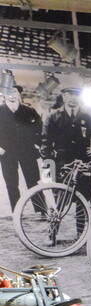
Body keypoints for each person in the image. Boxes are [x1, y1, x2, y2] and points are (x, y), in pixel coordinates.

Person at [0, 84, 43, 214]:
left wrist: (37, 144)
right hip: (7, 153)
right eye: (8, 92)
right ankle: (17, 212)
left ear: (19, 95)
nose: (12, 95)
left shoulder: (29, 111)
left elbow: (39, 129)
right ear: (3, 95)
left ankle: (41, 209)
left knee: (33, 181)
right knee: (12, 184)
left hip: (27, 152)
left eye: (15, 92)